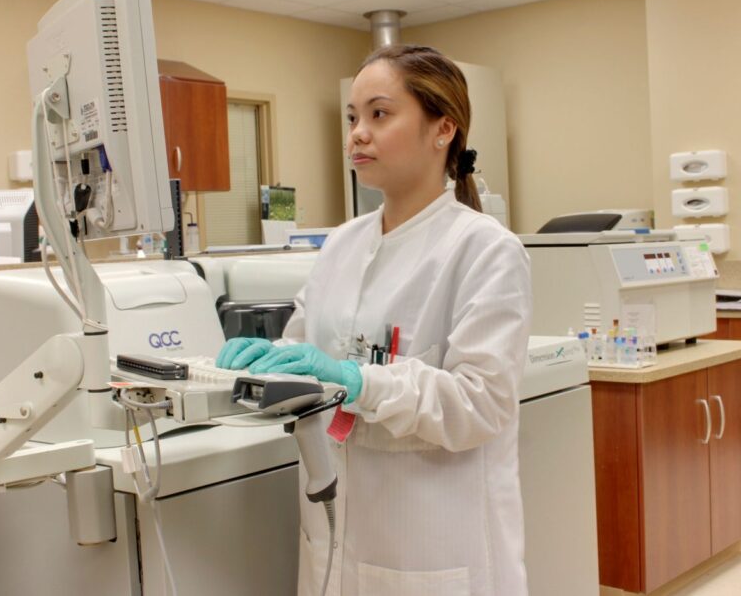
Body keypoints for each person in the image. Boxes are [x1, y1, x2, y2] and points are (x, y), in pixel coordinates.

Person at [216, 44, 532, 596]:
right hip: (335, 527)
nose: (357, 133)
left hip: (432, 542)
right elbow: (303, 352)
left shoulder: (485, 250)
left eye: (379, 114)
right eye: (353, 118)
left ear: (443, 130)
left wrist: (358, 381)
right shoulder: (341, 244)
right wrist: (259, 369)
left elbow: (480, 405)